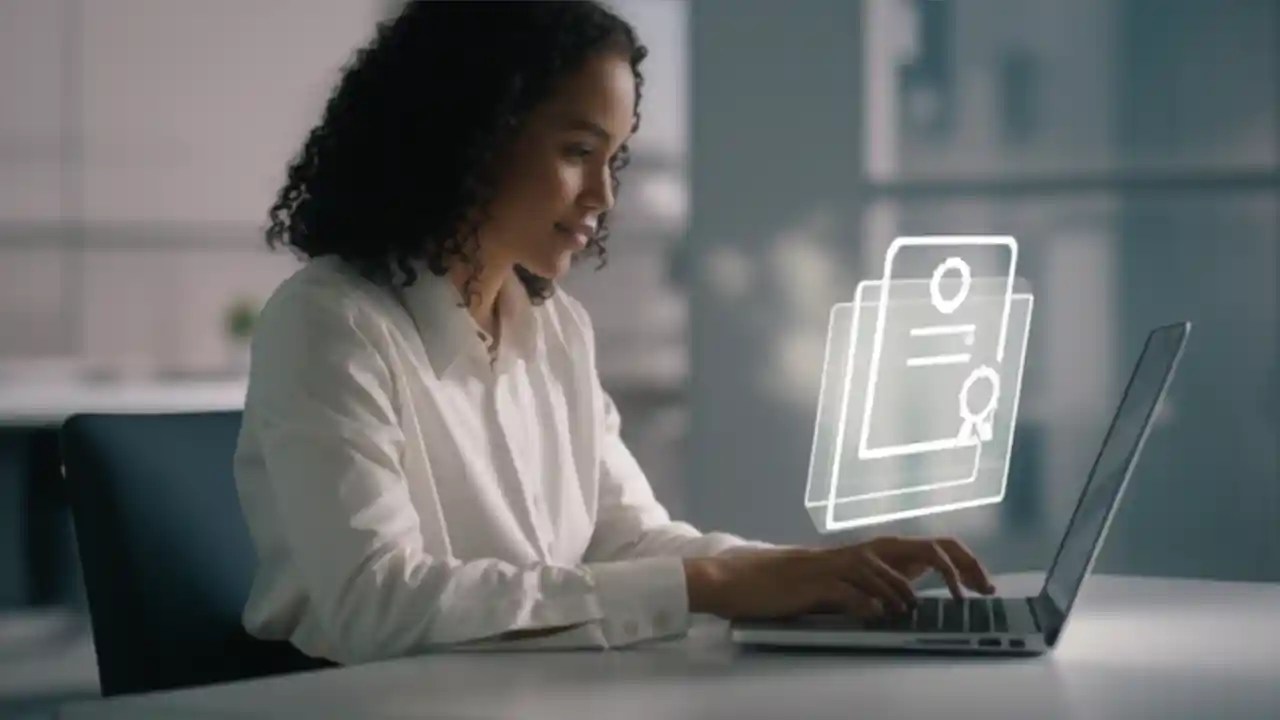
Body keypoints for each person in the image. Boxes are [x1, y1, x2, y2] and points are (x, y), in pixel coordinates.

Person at [235, 0, 996, 666]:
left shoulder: (556, 329)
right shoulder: (330, 322)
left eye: (615, 159)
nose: (603, 194)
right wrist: (711, 584)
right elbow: (376, 603)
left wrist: (806, 573)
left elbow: (625, 539)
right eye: (577, 152)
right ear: (472, 134)